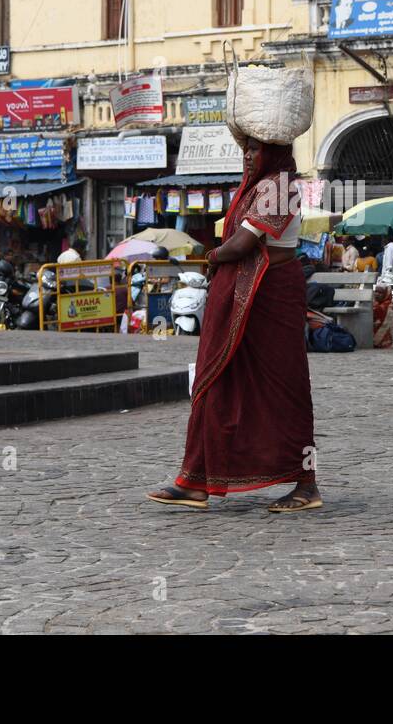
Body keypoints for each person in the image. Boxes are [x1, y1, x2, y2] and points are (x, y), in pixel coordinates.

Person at [147, 135, 319, 513]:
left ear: (272, 153)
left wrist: (211, 255)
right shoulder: (257, 186)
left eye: (255, 149)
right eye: (246, 148)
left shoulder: (280, 186)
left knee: (282, 388)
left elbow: (241, 245)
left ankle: (306, 483)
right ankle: (194, 479)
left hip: (269, 294)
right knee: (218, 382)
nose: (247, 155)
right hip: (247, 293)